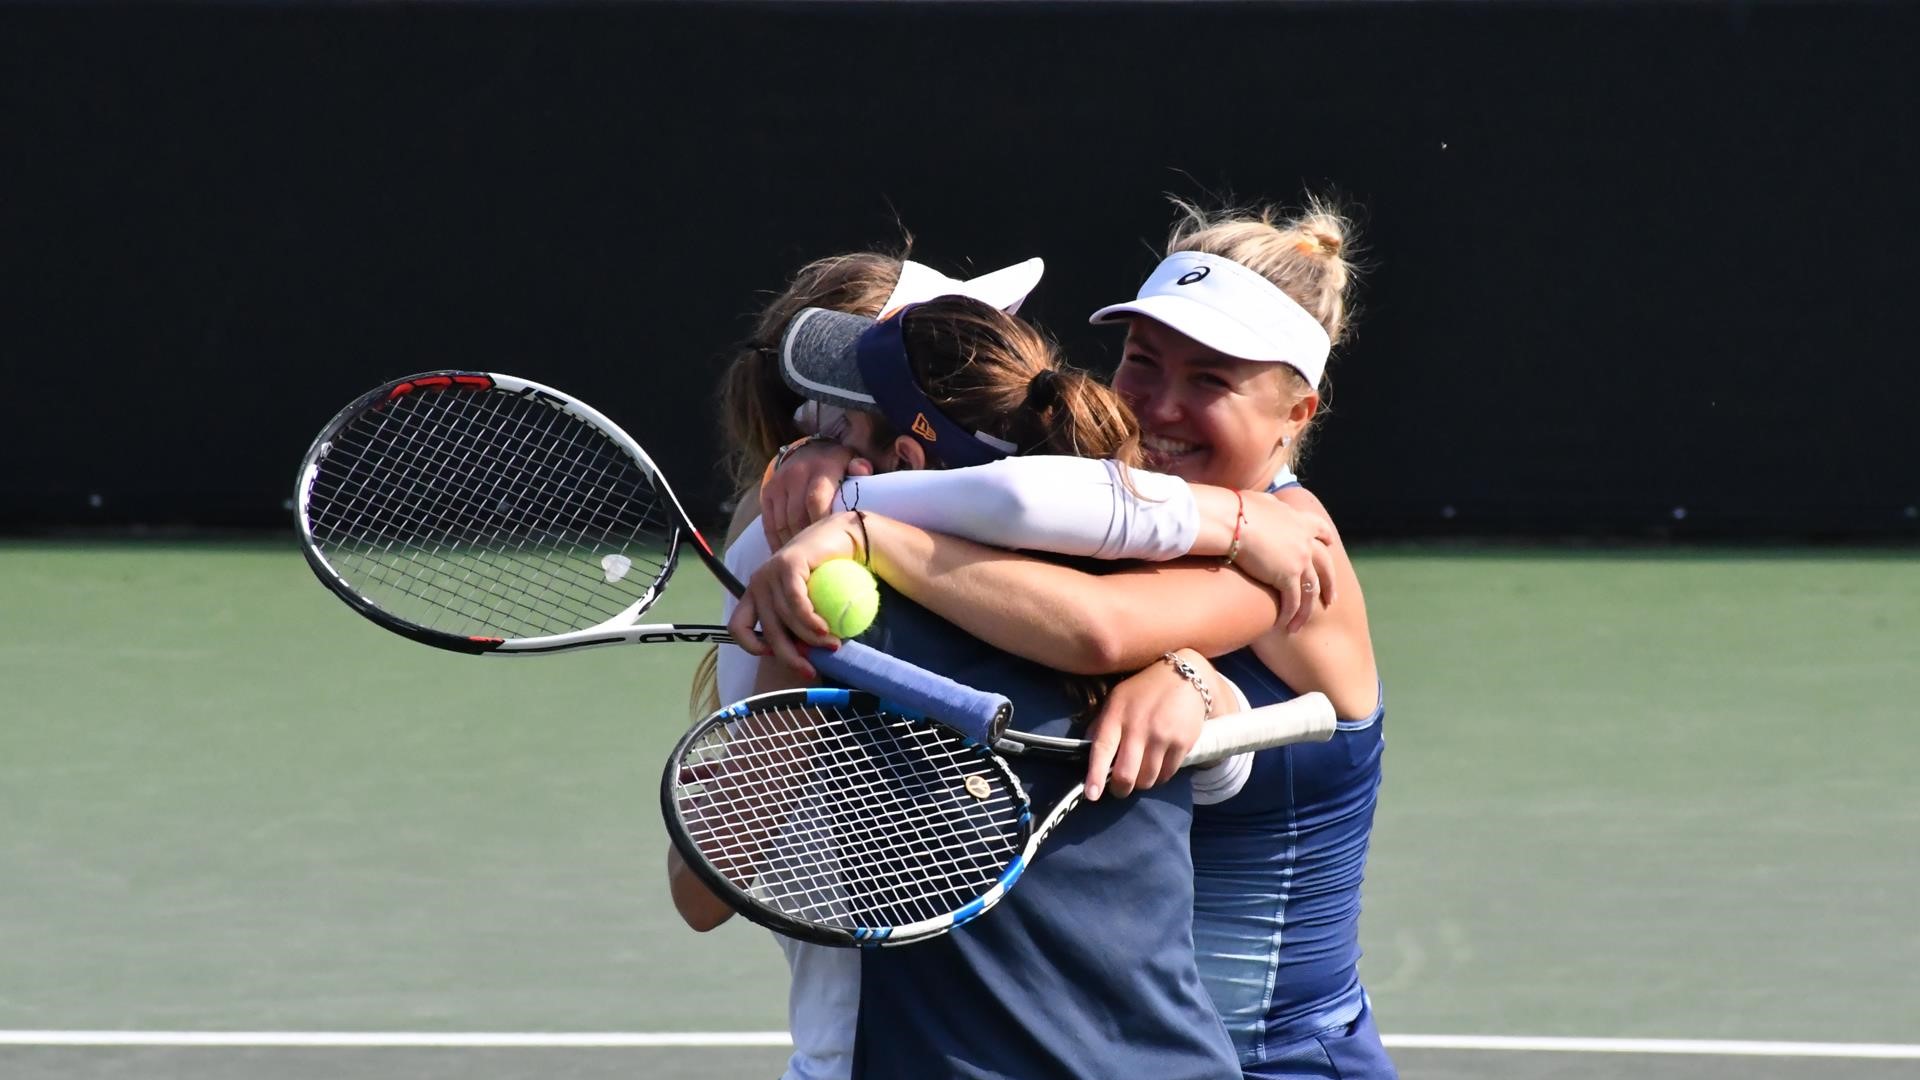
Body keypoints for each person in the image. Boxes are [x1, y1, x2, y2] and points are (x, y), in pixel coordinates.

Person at [741, 198, 1396, 1078]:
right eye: (1141, 361)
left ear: (1297, 413)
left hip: (1284, 1061)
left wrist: (860, 524)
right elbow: (976, 480)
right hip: (1124, 1048)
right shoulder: (1109, 512)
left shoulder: (1292, 546)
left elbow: (1101, 631)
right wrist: (819, 455)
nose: (1160, 406)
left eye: (1211, 381)